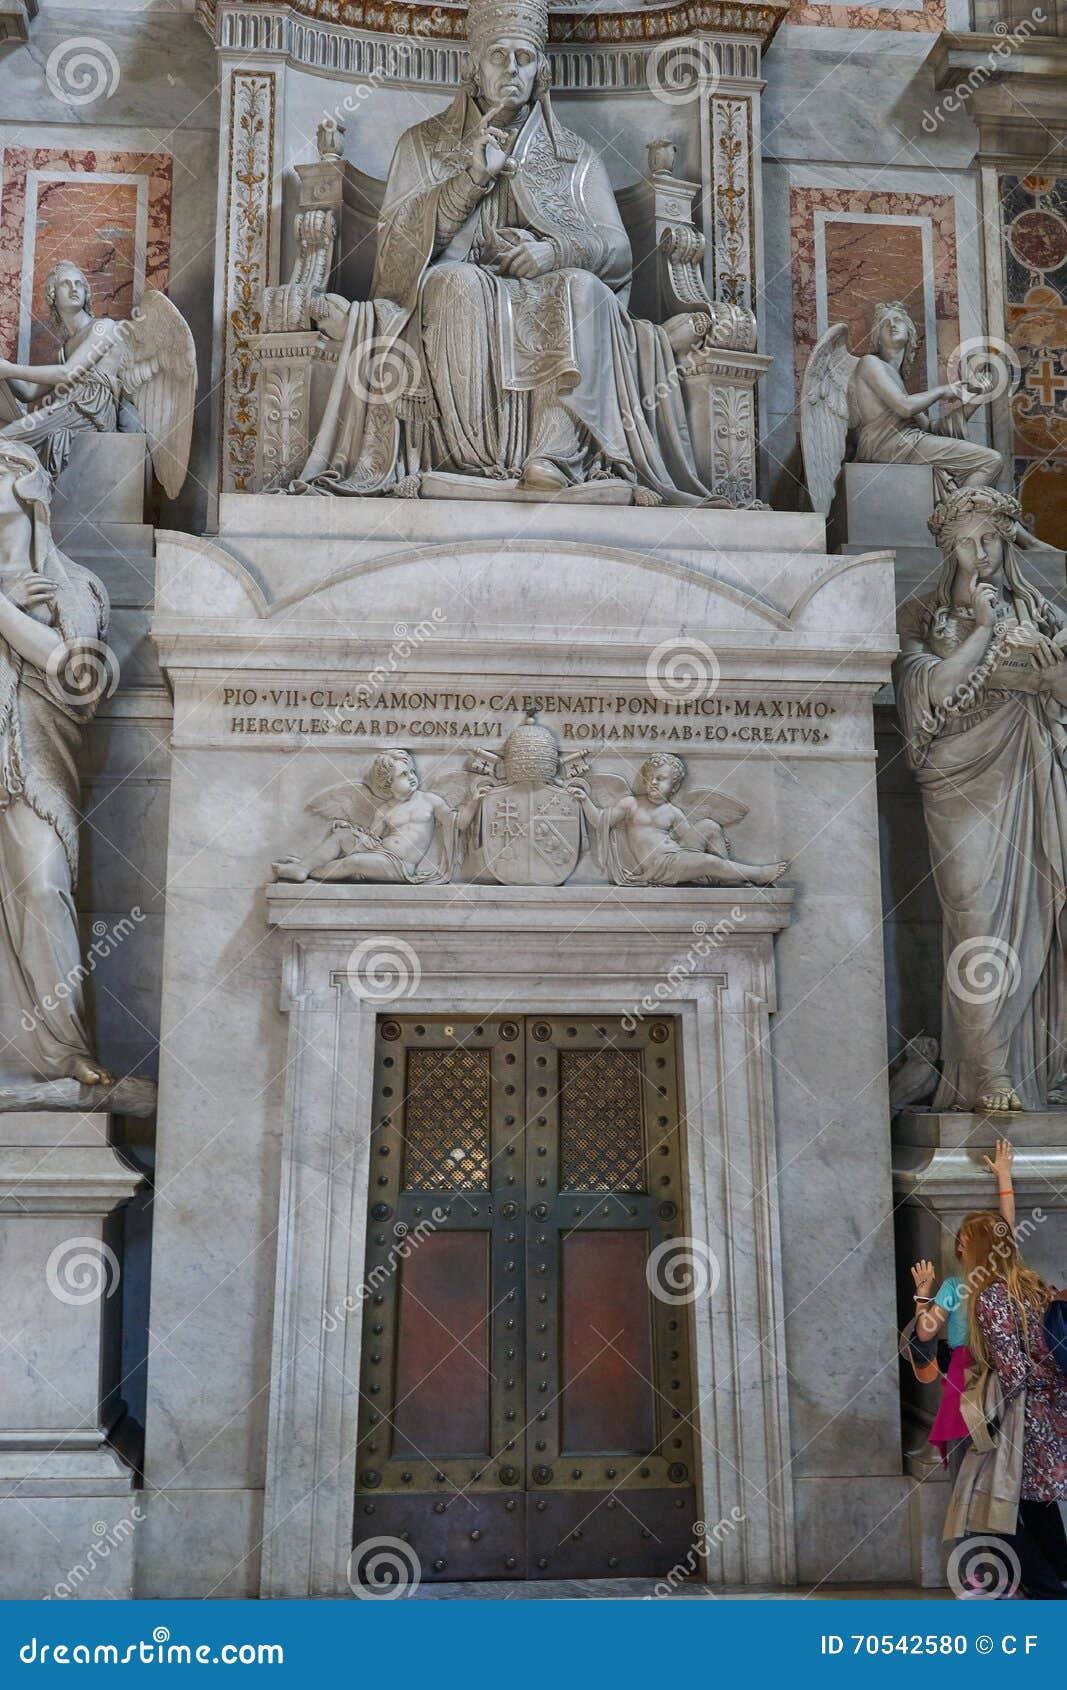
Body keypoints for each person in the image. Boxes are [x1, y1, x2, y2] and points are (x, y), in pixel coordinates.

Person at [297, 0, 732, 504]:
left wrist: (555, 251)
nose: (511, 69)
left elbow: (616, 249)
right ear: (473, 69)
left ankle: (554, 455)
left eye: (523, 58)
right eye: (498, 56)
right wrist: (471, 179)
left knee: (584, 289)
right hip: (460, 290)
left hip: (551, 287)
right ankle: (473, 458)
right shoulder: (422, 145)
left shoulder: (574, 156)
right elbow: (394, 257)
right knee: (450, 283)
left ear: (540, 71)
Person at [894, 483, 1067, 1112]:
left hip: (1029, 765)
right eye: (966, 543)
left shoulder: (1045, 615)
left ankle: (1025, 1073)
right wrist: (986, 629)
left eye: (990, 539)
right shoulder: (918, 615)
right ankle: (984, 1068)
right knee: (973, 912)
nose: (981, 553)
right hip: (957, 781)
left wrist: (1051, 674)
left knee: (1041, 916)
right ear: (948, 550)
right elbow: (931, 688)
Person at [0, 440, 113, 1085]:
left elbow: (74, 670)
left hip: (32, 769)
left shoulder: (73, 584)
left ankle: (61, 1049)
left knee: (43, 888)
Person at [960, 1210, 1067, 1597]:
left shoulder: (990, 1296)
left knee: (997, 1507)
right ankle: (1059, 1575)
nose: (961, 1250)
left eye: (966, 1244)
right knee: (1035, 1500)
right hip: (1056, 1408)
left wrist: (988, 1404)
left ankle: (1048, 1591)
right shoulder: (1033, 1283)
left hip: (1025, 1415)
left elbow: (1015, 1371)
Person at [910, 1140, 1016, 1481]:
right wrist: (1005, 1179)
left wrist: (923, 1295)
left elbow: (925, 1332)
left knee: (973, 1464)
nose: (958, 1246)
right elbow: (1007, 1229)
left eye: (964, 1242)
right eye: (959, 1240)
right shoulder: (992, 1281)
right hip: (988, 1376)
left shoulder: (966, 1286)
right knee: (989, 1462)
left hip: (974, 1375)